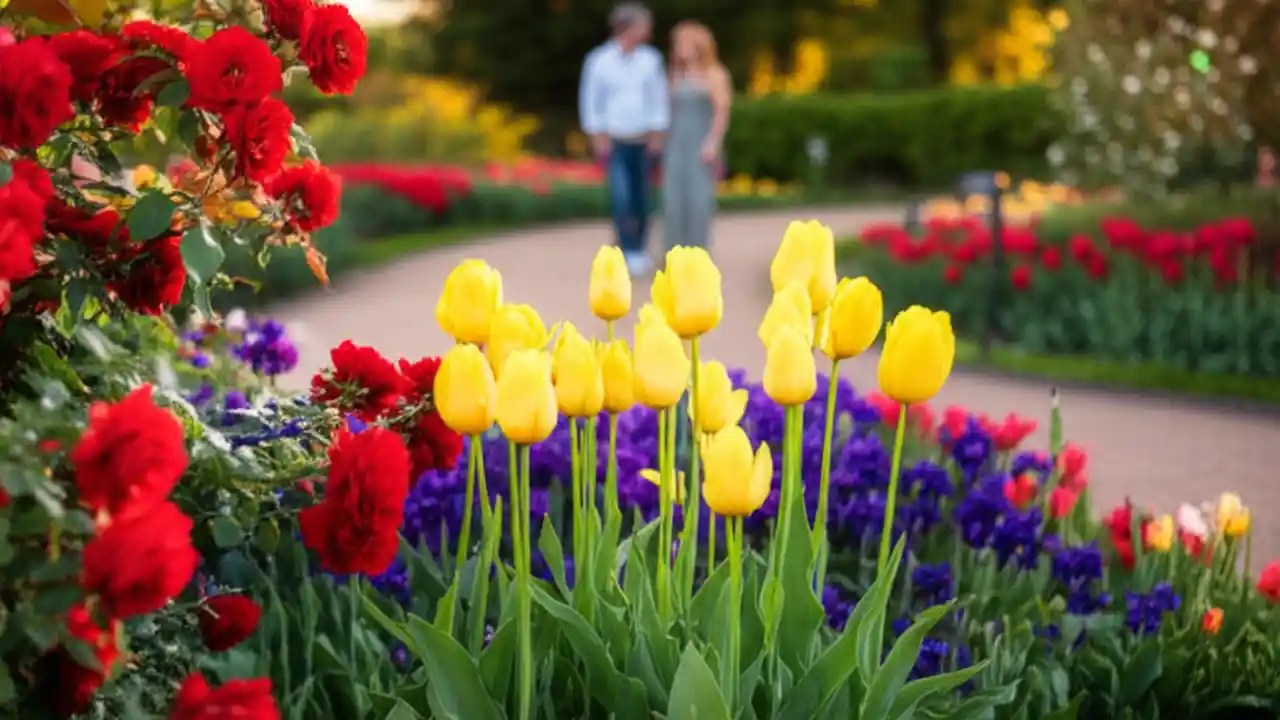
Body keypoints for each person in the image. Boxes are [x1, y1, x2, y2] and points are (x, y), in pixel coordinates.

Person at [579, 2, 670, 277]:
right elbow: (591, 99)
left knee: (643, 197)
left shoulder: (650, 60)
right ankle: (627, 249)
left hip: (643, 139)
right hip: (615, 139)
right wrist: (597, 135)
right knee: (621, 197)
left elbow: (658, 98)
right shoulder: (599, 60)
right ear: (628, 28)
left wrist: (658, 134)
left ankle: (640, 247)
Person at [663, 21, 731, 251]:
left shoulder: (715, 74)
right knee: (673, 198)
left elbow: (721, 112)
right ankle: (673, 250)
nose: (679, 47)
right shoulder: (674, 74)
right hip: (675, 142)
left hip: (701, 143)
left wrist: (713, 142)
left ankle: (698, 251)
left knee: (698, 199)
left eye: (683, 42)